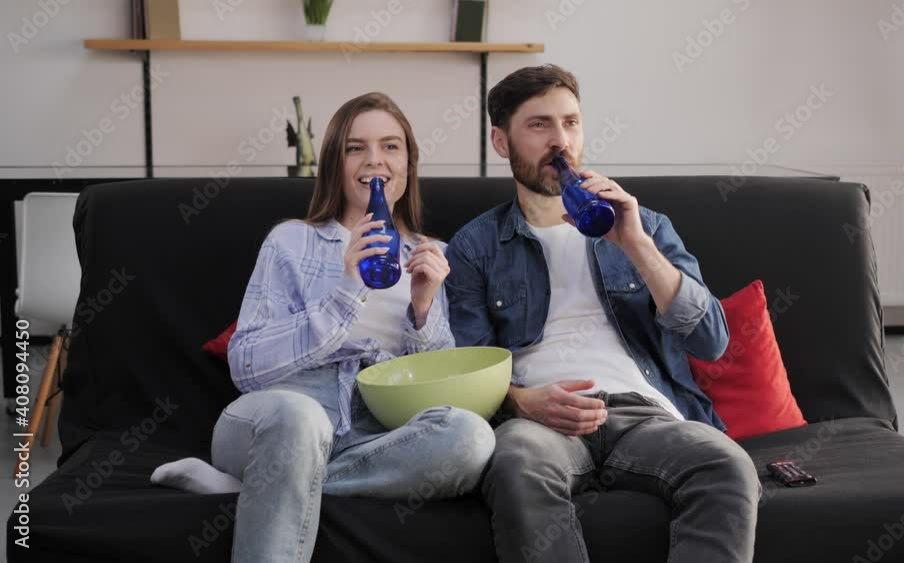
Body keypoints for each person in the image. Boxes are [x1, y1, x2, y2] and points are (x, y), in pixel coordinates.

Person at [150, 92, 495, 563]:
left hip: (373, 432)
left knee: (471, 436)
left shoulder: (432, 253)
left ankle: (261, 486)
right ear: (335, 163)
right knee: (301, 416)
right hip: (278, 418)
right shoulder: (293, 241)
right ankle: (273, 474)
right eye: (356, 148)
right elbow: (246, 366)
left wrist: (422, 306)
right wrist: (345, 291)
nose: (375, 159)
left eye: (390, 146)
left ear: (408, 164)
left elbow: (436, 389)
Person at [445, 65, 760, 562]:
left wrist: (635, 244)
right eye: (539, 125)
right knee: (517, 463)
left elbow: (711, 341)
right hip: (544, 424)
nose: (560, 141)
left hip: (643, 414)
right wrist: (523, 402)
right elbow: (468, 366)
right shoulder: (474, 246)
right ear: (501, 142)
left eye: (571, 123)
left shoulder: (645, 225)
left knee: (727, 464)